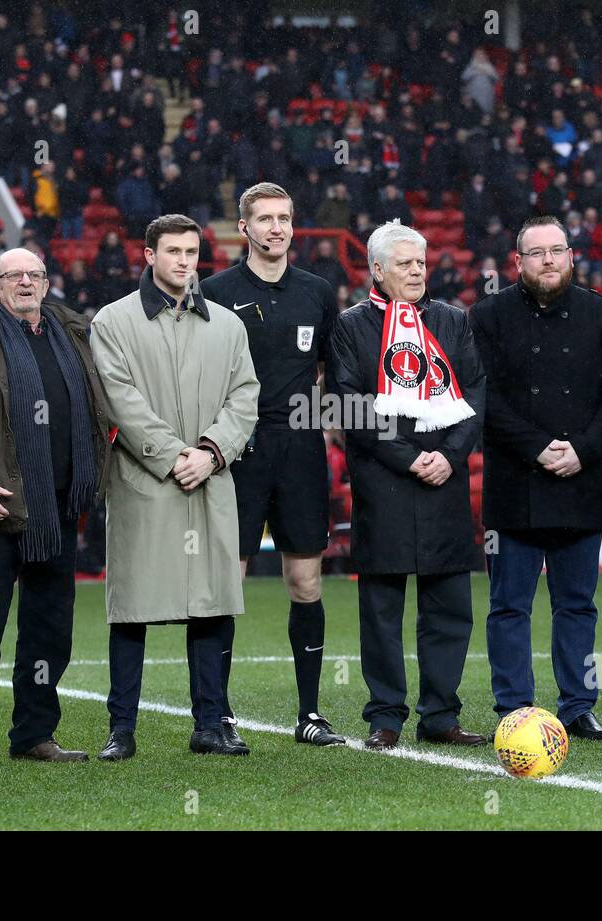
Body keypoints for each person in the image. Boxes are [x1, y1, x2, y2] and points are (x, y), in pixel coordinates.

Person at [91, 214, 259, 759]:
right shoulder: (113, 322)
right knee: (133, 608)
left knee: (209, 605)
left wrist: (209, 453)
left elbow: (245, 398)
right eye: (174, 252)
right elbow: (119, 400)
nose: (185, 262)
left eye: (192, 252)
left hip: (209, 478)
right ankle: (122, 730)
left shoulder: (229, 326)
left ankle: (210, 726)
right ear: (148, 255)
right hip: (145, 481)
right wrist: (173, 456)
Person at [0, 247, 111, 767]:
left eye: (35, 274)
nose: (27, 283)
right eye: (14, 277)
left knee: (48, 630)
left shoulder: (74, 336)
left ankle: (35, 734)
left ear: (46, 281)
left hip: (58, 509)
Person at [328, 221, 487, 750]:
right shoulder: (350, 327)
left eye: (421, 262)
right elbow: (351, 405)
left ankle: (441, 715)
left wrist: (450, 454)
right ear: (377, 269)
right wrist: (410, 457)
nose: (417, 270)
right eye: (405, 263)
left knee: (449, 608)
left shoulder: (451, 319)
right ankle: (385, 717)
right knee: (381, 610)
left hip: (445, 481)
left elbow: (475, 393)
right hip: (384, 485)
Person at [200, 183, 344, 747]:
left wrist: (329, 425)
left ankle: (309, 714)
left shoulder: (317, 291)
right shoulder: (213, 291)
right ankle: (220, 714)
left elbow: (335, 367)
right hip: (235, 449)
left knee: (305, 581)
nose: (276, 228)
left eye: (284, 218)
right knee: (225, 584)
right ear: (245, 228)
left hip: (302, 448)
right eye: (264, 219)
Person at [470, 215, 602, 740]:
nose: (548, 260)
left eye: (557, 250)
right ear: (518, 262)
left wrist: (583, 449)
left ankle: (578, 707)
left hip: (580, 481)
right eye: (536, 253)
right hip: (514, 484)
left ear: (572, 255)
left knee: (577, 604)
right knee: (508, 604)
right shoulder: (486, 316)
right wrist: (538, 448)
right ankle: (513, 708)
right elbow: (483, 400)